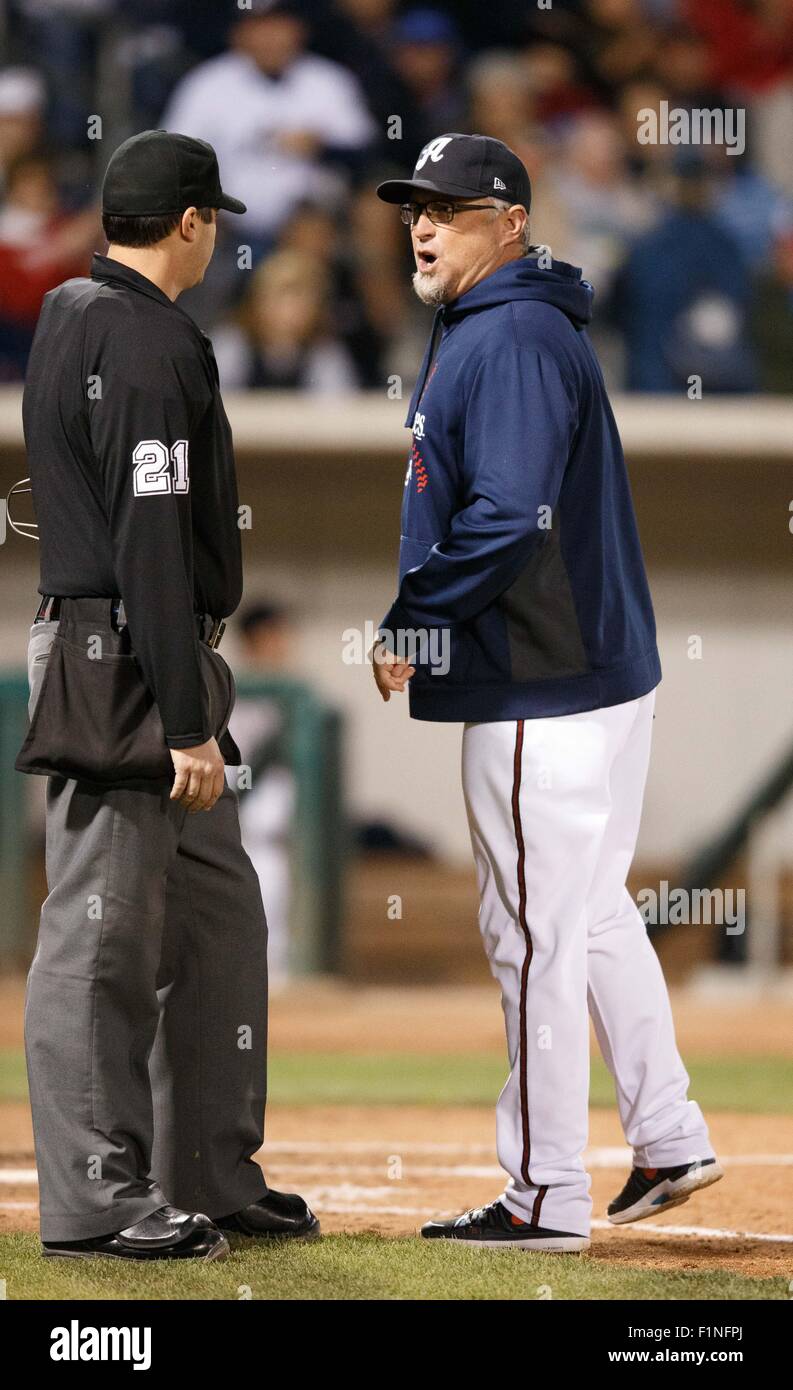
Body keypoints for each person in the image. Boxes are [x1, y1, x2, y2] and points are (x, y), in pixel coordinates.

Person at [372, 132, 723, 1251]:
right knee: (592, 909)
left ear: (509, 219)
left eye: (450, 206)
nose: (421, 222)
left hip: (542, 689)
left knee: (531, 937)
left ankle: (543, 1195)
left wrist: (417, 614)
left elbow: (506, 511)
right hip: (590, 680)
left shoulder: (512, 331)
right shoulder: (508, 320)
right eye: (413, 205)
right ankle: (666, 1131)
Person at [19, 129, 316, 1261]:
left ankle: (205, 1168)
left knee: (218, 917)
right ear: (190, 223)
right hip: (126, 662)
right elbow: (151, 531)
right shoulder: (147, 342)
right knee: (100, 936)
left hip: (134, 647)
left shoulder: (69, 310)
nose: (217, 238)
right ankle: (98, 1199)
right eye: (214, 221)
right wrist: (184, 717)